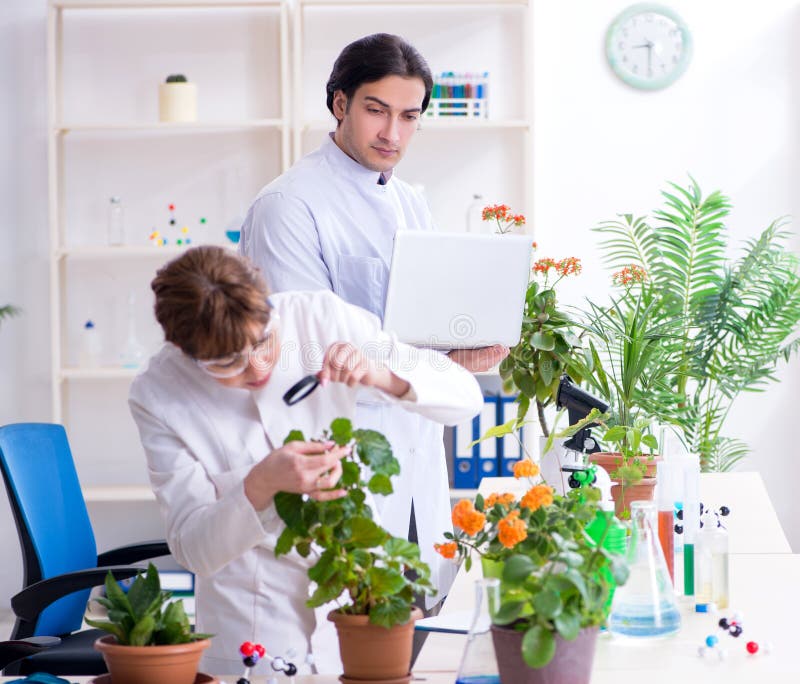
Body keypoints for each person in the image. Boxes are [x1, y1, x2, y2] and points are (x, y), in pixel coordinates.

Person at [239, 33, 508, 604]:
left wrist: (451, 360)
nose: (392, 133)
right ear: (340, 104)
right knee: (357, 628)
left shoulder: (412, 201)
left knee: (420, 623)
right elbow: (307, 354)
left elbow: (411, 334)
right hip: (345, 459)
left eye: (409, 116)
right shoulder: (288, 206)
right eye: (376, 111)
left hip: (417, 452)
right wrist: (419, 364)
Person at [128, 246, 482, 676]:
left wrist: (380, 375)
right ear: (184, 351)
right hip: (253, 626)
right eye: (227, 363)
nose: (256, 368)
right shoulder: (159, 393)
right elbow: (193, 548)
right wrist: (259, 485)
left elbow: (464, 397)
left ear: (268, 303)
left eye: (263, 343)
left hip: (355, 608)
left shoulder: (319, 318)